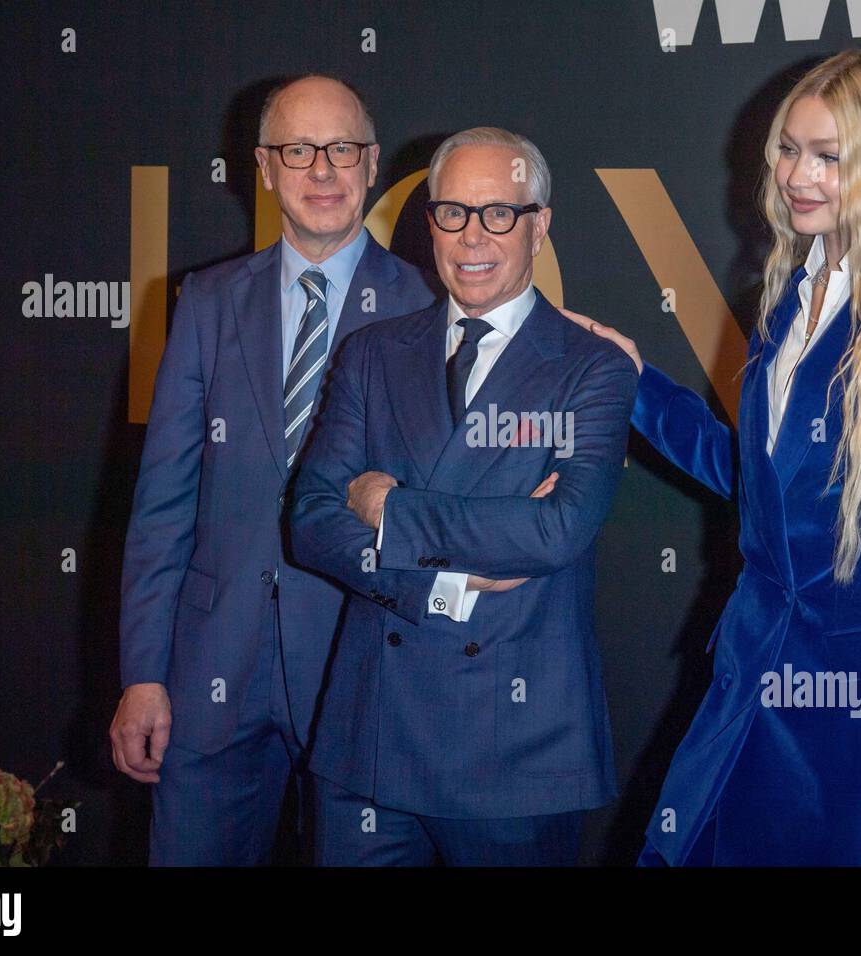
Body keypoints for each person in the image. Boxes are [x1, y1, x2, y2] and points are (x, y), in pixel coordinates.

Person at [565, 48, 861, 865]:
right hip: (755, 676)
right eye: (788, 149)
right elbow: (760, 482)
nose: (795, 175)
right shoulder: (788, 290)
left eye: (829, 157)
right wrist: (638, 384)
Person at [109, 74, 437, 865]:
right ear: (263, 168)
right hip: (212, 673)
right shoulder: (206, 302)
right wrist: (144, 674)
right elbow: (163, 504)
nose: (321, 171)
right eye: (298, 151)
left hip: (366, 674)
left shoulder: (427, 308)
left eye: (341, 150)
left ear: (371, 163)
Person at [288, 127, 639, 865]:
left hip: (517, 752)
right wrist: (443, 584)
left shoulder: (594, 369)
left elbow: (557, 530)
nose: (472, 236)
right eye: (452, 213)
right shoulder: (374, 353)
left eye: (498, 214)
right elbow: (313, 521)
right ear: (429, 223)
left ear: (540, 225)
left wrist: (390, 508)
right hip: (371, 742)